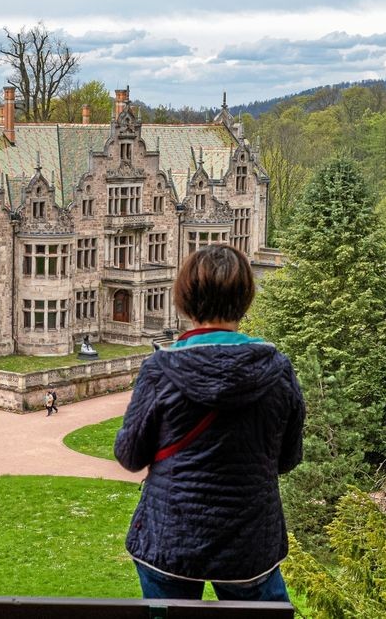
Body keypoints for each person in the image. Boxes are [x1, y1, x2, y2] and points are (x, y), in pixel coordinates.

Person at [114, 244, 304, 603]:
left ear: (184, 298)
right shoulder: (278, 371)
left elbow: (129, 455)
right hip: (250, 542)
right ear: (245, 298)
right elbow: (288, 459)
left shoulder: (161, 370)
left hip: (171, 536)